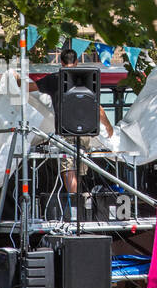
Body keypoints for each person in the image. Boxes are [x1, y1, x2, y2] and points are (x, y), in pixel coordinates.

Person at [27, 48, 113, 195]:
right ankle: (78, 200)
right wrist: (108, 125)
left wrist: (14, 79)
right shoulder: (86, 79)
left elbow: (29, 88)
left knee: (68, 168)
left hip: (64, 130)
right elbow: (97, 107)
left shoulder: (54, 79)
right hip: (85, 132)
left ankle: (73, 201)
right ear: (77, 62)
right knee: (79, 168)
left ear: (61, 62)